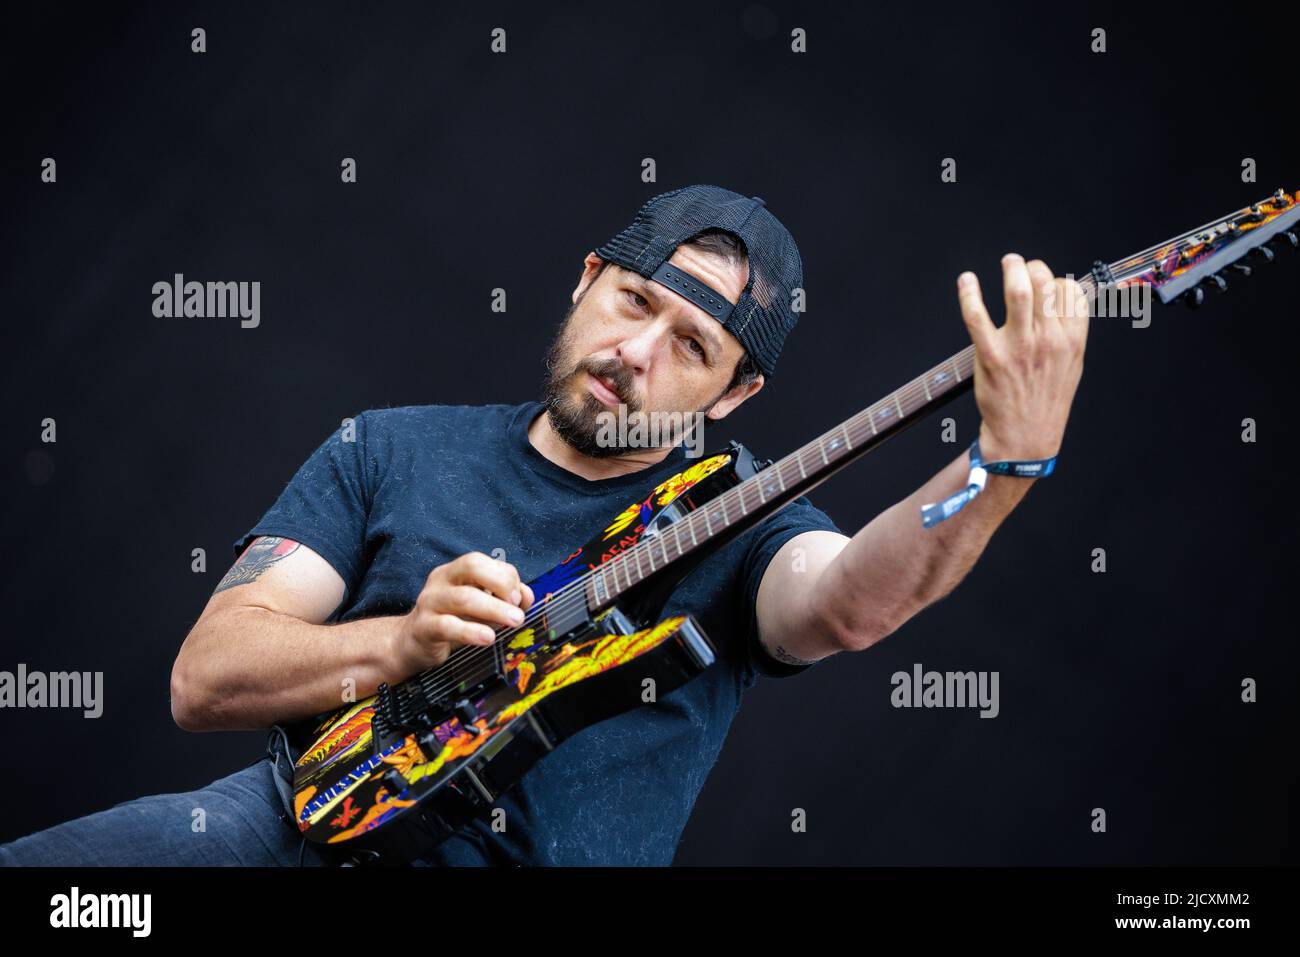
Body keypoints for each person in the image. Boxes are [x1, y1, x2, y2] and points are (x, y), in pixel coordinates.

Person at [0, 185, 1088, 866]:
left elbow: (850, 599)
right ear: (585, 280)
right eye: (633, 301)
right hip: (279, 832)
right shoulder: (385, 446)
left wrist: (1002, 466)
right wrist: (400, 644)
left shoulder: (744, 519)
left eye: (693, 346)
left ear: (734, 398)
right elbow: (206, 679)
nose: (637, 352)